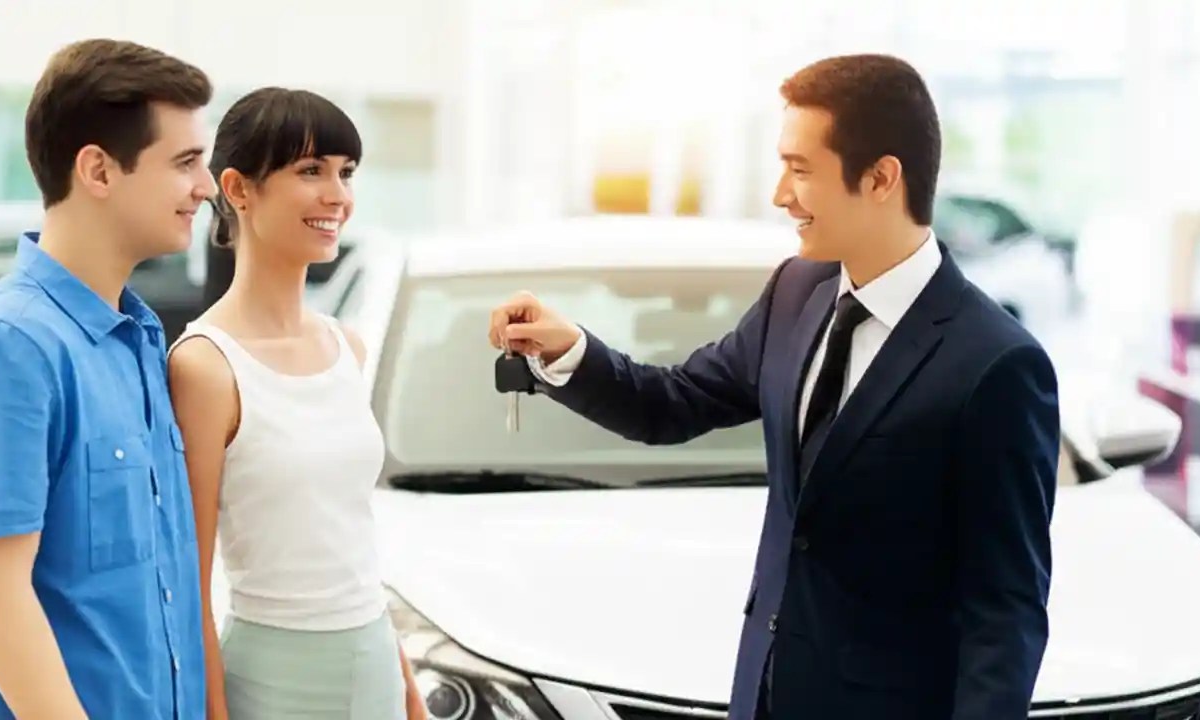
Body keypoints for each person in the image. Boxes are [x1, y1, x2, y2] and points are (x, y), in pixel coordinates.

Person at [489, 54, 1060, 720]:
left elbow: (1005, 613)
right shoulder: (797, 293)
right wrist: (568, 350)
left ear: (881, 178)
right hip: (762, 696)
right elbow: (671, 405)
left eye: (800, 169)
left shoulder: (997, 364)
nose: (780, 195)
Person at [0, 39, 215, 719]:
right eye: (185, 162)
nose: (207, 187)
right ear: (99, 170)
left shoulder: (140, 338)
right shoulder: (10, 344)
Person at [166, 87, 424, 720]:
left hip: (375, 667)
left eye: (346, 172)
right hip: (273, 681)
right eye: (311, 171)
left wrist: (411, 697)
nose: (337, 194)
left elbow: (355, 549)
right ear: (239, 188)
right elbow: (189, 586)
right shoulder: (204, 364)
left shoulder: (348, 348)